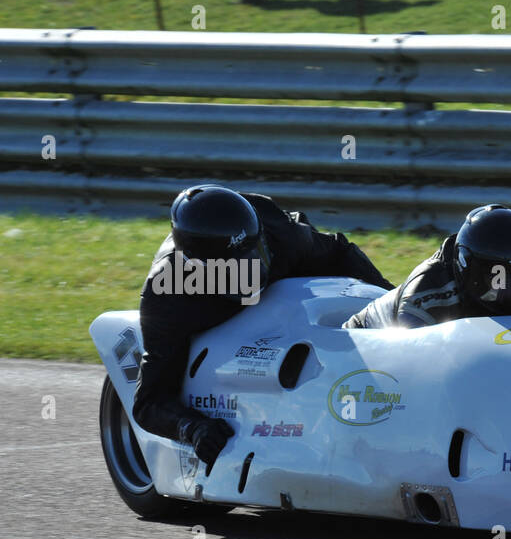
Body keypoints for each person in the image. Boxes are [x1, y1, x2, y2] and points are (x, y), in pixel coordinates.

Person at [134, 184, 394, 466]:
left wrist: (389, 302)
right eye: (238, 268)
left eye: (255, 254)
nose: (254, 269)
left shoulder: (283, 234)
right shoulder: (167, 294)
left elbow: (340, 251)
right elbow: (148, 403)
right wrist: (192, 428)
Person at [343, 205, 511, 330]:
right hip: (364, 344)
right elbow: (407, 365)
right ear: (468, 268)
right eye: (499, 281)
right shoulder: (427, 294)